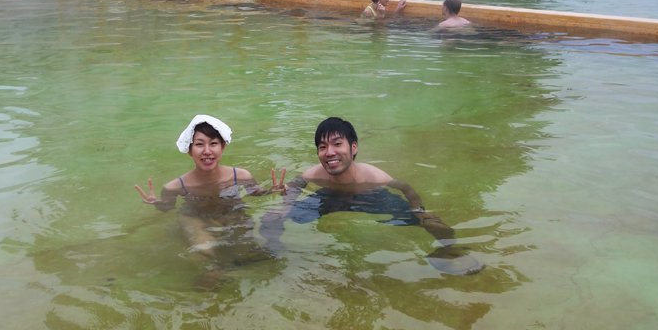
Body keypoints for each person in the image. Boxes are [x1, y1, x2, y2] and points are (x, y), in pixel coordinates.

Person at [260, 117, 483, 275]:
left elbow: (406, 188)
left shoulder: (373, 176)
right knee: (270, 217)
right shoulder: (313, 173)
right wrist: (284, 203)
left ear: (353, 147)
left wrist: (418, 210)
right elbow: (296, 185)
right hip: (328, 198)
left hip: (370, 197)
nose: (329, 152)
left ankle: (449, 249)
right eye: (322, 146)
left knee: (429, 219)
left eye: (337, 144)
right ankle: (273, 253)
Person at [135, 115, 285, 271]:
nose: (207, 151)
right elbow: (167, 208)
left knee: (245, 245)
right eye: (199, 144)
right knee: (203, 248)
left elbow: (255, 193)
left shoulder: (240, 176)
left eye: (213, 144)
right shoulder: (175, 187)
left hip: (230, 212)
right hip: (195, 216)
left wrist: (271, 191)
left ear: (222, 147)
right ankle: (216, 271)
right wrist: (157, 203)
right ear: (189, 150)